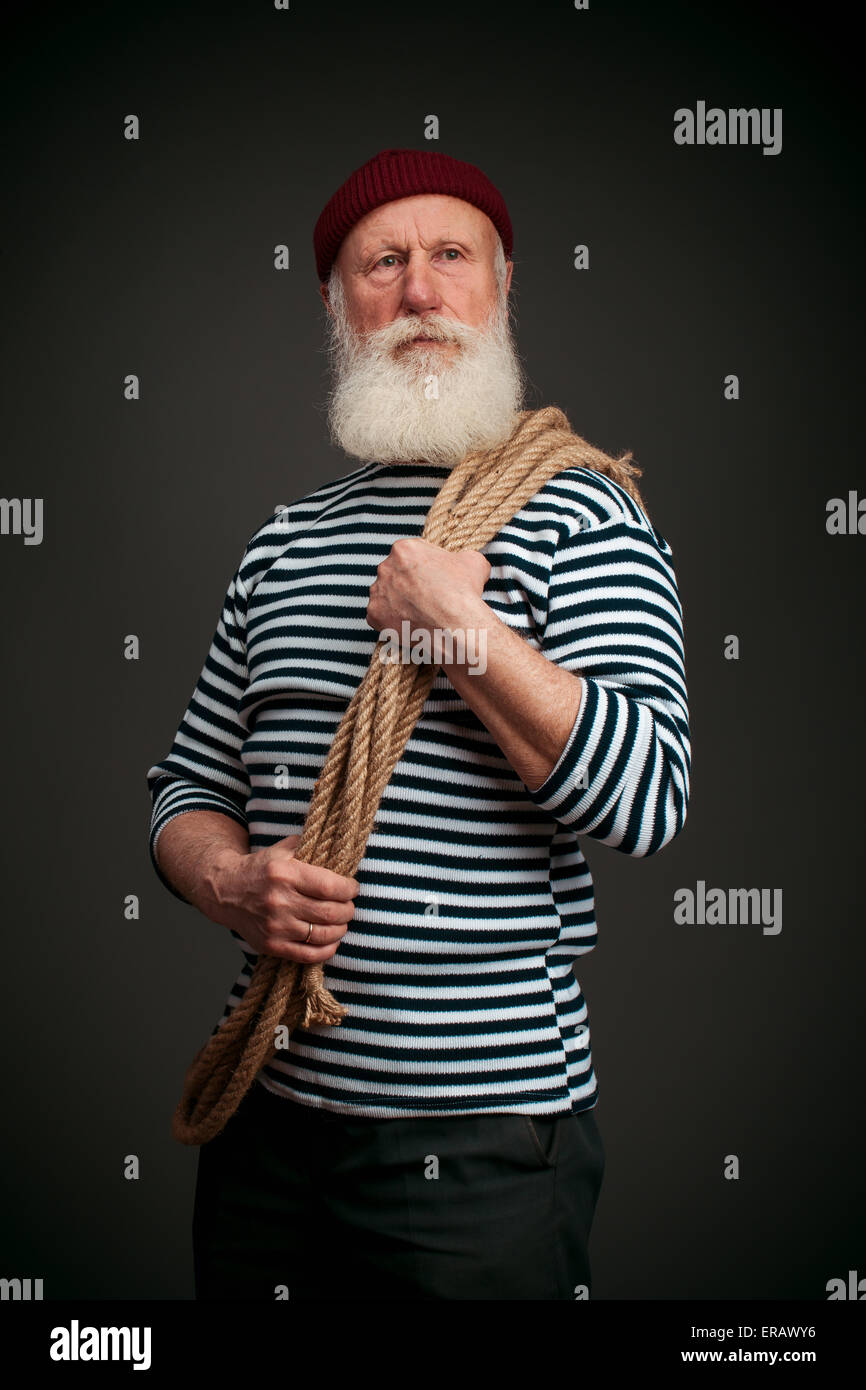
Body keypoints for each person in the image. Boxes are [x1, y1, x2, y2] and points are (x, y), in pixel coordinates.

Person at [145, 147, 690, 1301]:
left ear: (501, 286)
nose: (420, 292)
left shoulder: (578, 510)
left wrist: (457, 629)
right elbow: (183, 791)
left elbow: (646, 801)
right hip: (267, 1118)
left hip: (482, 1148)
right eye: (381, 262)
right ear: (338, 303)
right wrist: (232, 880)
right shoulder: (282, 542)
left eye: (452, 256)